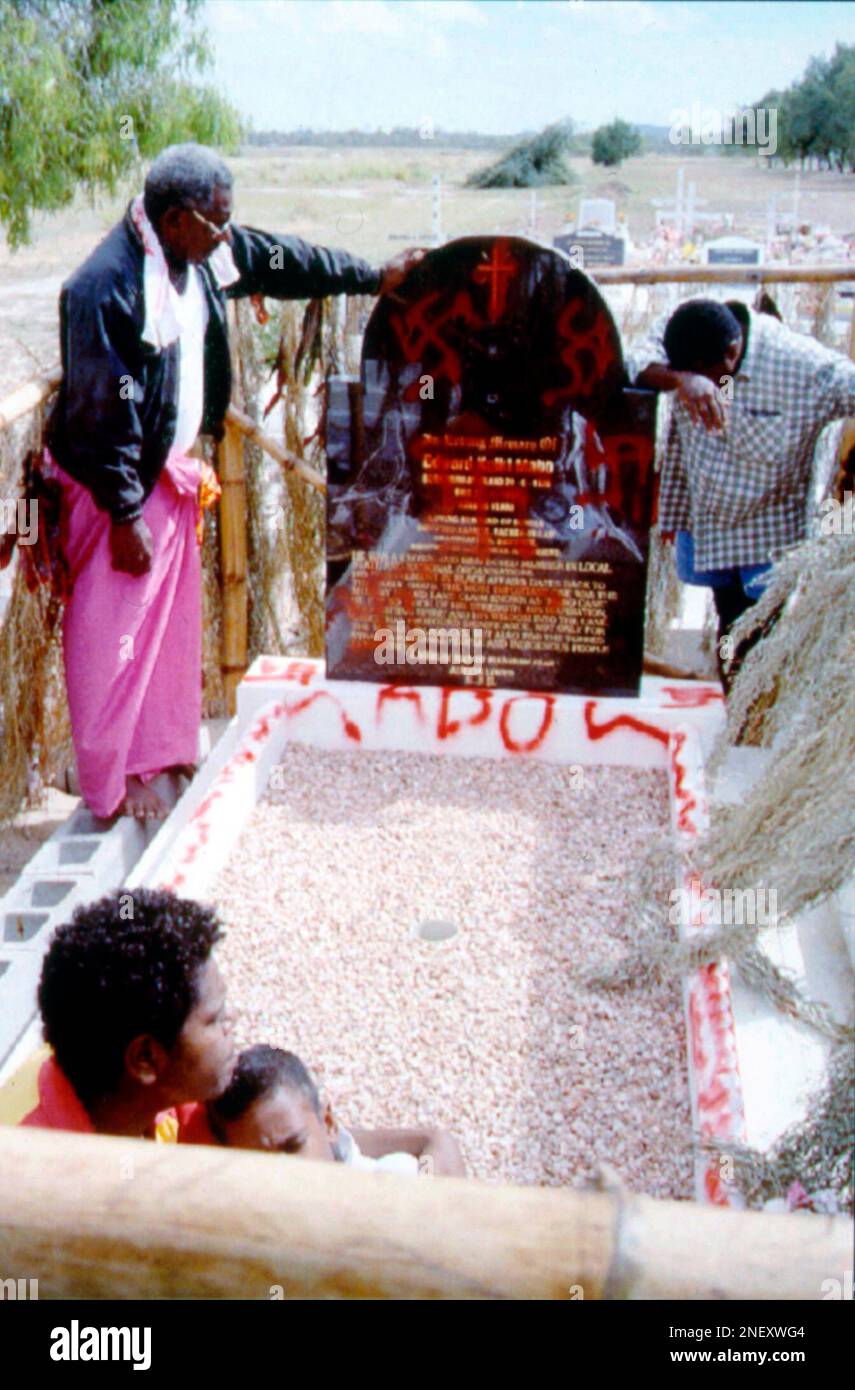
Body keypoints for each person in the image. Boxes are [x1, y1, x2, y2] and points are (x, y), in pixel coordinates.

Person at [46, 142, 421, 821]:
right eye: (218, 221)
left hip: (163, 472)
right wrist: (126, 515)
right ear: (175, 218)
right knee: (113, 635)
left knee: (164, 633)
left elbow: (283, 261)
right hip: (113, 486)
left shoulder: (199, 252)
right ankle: (110, 787)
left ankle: (157, 759)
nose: (230, 234)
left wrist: (372, 277)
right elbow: (102, 410)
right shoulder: (105, 287)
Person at [627, 297, 855, 688]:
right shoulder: (685, 330)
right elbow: (632, 361)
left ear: (733, 352)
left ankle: (753, 720)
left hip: (768, 526)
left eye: (714, 378)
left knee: (762, 634)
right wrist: (683, 381)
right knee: (729, 626)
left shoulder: (803, 365)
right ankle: (732, 716)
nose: (711, 394)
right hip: (710, 520)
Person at [21, 888, 234, 1140]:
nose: (230, 1023)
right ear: (145, 1059)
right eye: (214, 1019)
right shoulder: (36, 1170)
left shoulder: (166, 1103)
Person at [204, 1044, 466, 1177]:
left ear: (328, 1122)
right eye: (263, 1165)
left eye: (293, 1147)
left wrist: (429, 1187)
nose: (287, 1173)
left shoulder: (393, 1187)